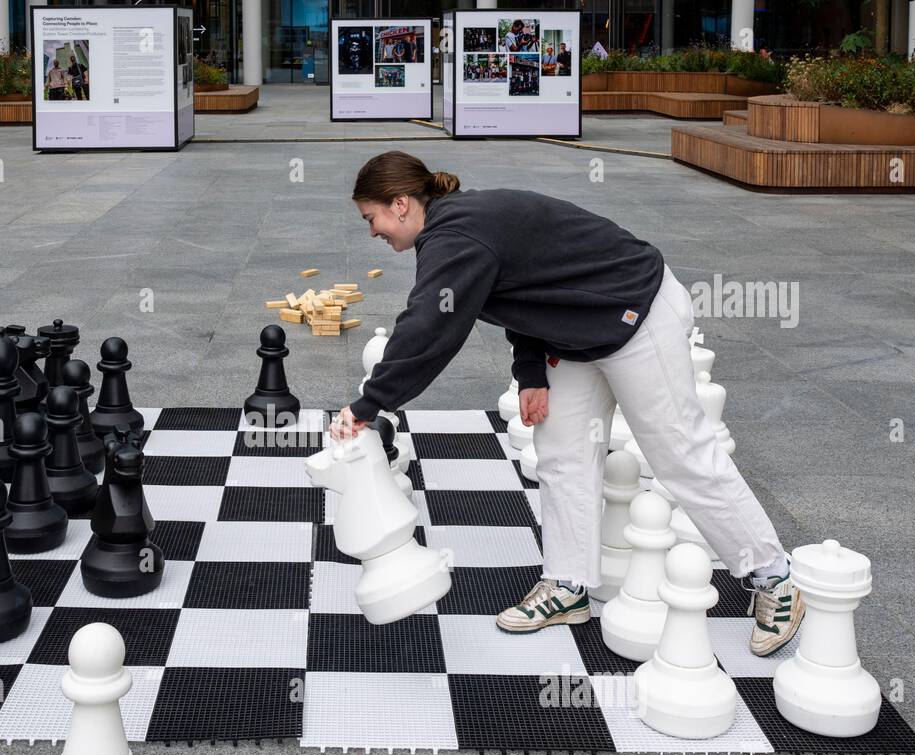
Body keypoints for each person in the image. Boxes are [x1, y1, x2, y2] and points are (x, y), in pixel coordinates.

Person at [333, 152, 806, 657]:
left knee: (678, 452)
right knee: (561, 452)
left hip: (635, 311)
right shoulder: (459, 228)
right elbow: (531, 288)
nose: (372, 232)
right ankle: (568, 585)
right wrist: (531, 373)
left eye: (372, 218)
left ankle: (774, 577)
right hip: (578, 329)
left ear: (401, 204)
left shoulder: (455, 236)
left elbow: (429, 327)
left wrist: (369, 404)